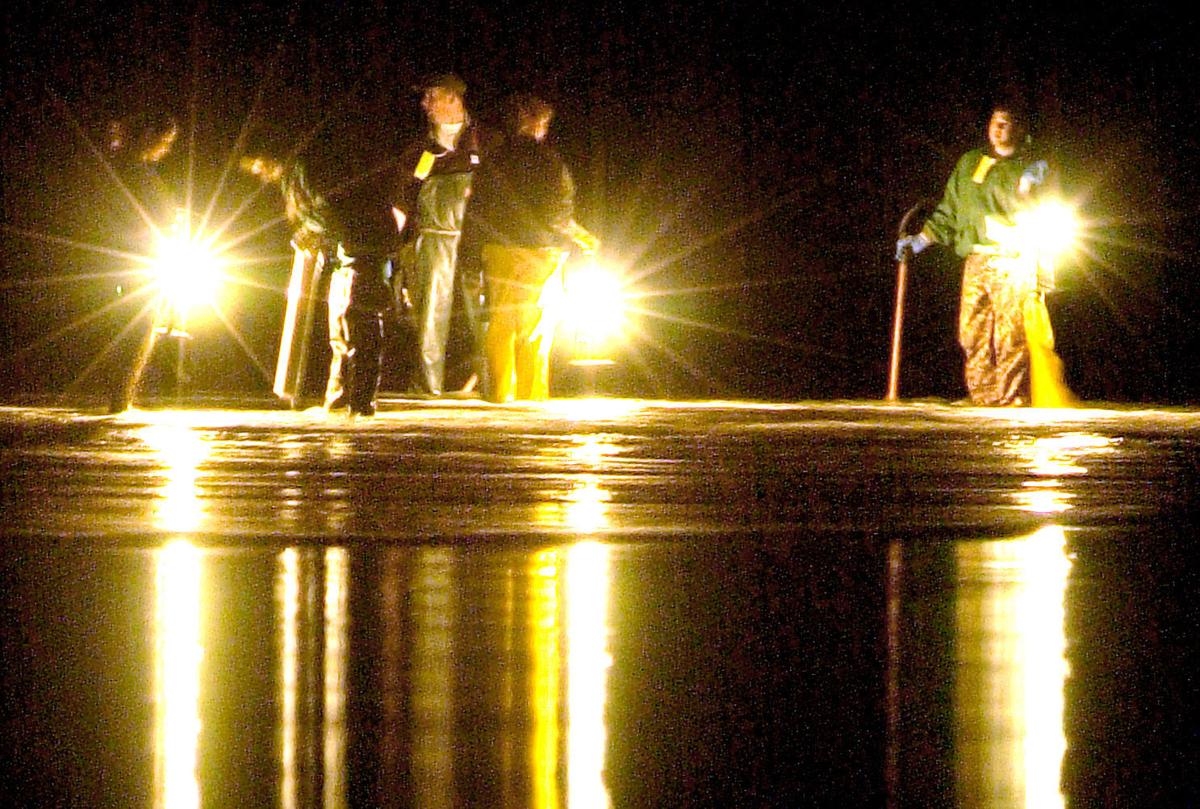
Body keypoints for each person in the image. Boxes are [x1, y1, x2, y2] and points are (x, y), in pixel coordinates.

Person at [896, 99, 1050, 406]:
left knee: (1011, 335)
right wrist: (920, 241)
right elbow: (950, 211)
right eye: (994, 122)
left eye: (1005, 123)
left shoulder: (1032, 167)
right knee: (971, 332)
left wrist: (1036, 183)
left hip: (1013, 259)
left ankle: (1011, 400)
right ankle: (982, 397)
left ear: (1020, 129)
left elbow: (1048, 207)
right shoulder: (970, 163)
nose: (997, 129)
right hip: (976, 259)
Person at [242, 152, 397, 416]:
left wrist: (312, 231)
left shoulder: (306, 169)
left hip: (364, 243)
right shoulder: (296, 175)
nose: (259, 173)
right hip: (351, 246)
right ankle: (339, 398)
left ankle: (359, 400)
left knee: (358, 318)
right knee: (341, 324)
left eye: (258, 164)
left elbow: (330, 205)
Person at [469, 93, 598, 403]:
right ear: (538, 123)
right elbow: (559, 214)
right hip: (541, 252)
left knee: (501, 323)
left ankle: (501, 396)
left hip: (499, 249)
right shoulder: (551, 163)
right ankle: (531, 400)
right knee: (536, 328)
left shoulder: (493, 160)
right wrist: (583, 237)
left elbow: (478, 205)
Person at [392, 73, 485, 397]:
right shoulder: (421, 149)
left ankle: (492, 383)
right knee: (430, 313)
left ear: (452, 99)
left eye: (430, 97)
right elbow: (402, 196)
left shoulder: (485, 140)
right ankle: (428, 387)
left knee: (485, 314)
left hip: (476, 241)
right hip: (433, 240)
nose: (424, 104)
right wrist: (393, 239)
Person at [104, 112, 181, 413]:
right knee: (138, 326)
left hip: (141, 258)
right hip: (138, 261)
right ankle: (121, 399)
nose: (167, 149)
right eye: (165, 141)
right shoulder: (132, 171)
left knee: (141, 326)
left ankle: (123, 396)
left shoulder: (136, 170)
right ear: (148, 136)